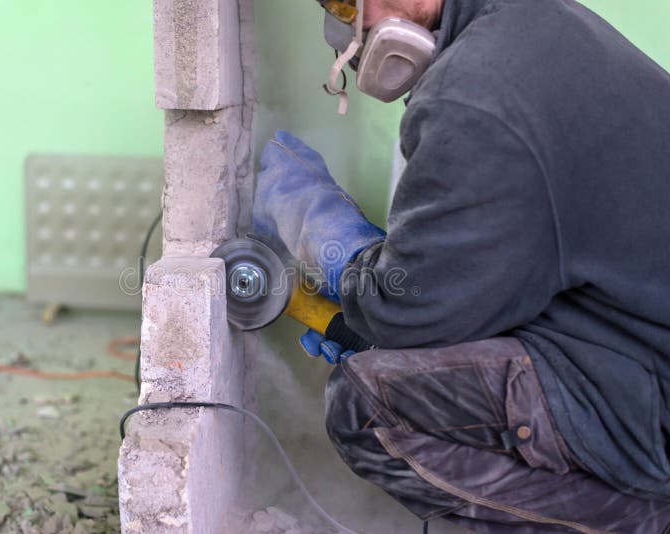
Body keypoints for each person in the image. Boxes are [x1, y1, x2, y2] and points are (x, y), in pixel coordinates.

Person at [252, 0, 670, 531]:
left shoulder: (475, 90)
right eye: (338, 3)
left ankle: (640, 521)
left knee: (367, 406)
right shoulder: (528, 24)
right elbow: (500, 268)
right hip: (639, 343)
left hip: (653, 402)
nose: (351, 22)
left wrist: (322, 228)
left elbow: (404, 312)